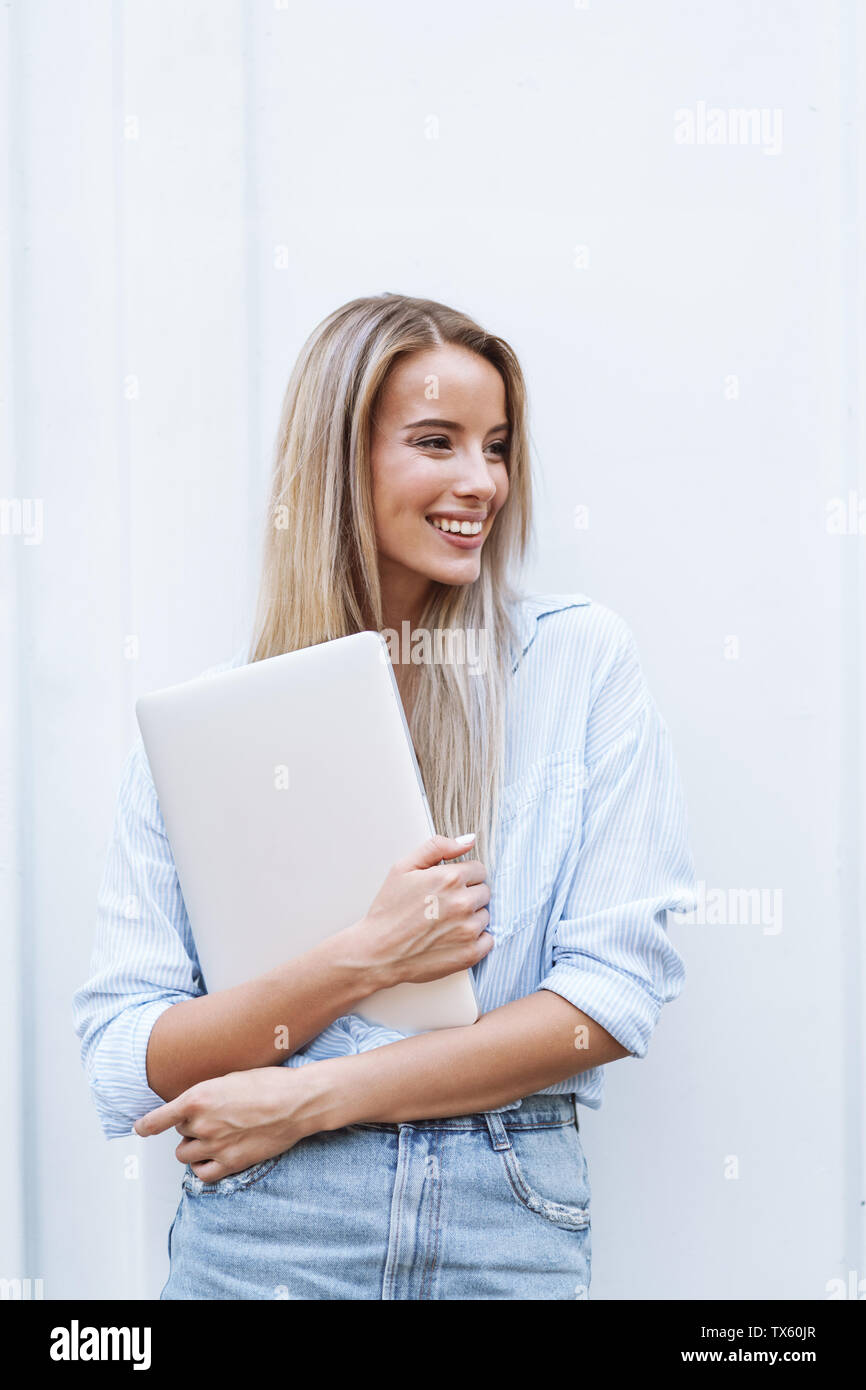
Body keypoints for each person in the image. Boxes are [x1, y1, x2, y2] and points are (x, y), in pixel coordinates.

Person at [73, 293, 697, 1300]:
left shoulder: (577, 663)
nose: (480, 481)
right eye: (436, 441)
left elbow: (606, 1005)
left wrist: (310, 1097)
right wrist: (362, 957)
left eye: (495, 447)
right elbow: (128, 1058)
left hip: (507, 1215)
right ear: (339, 461)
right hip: (271, 1224)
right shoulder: (202, 733)